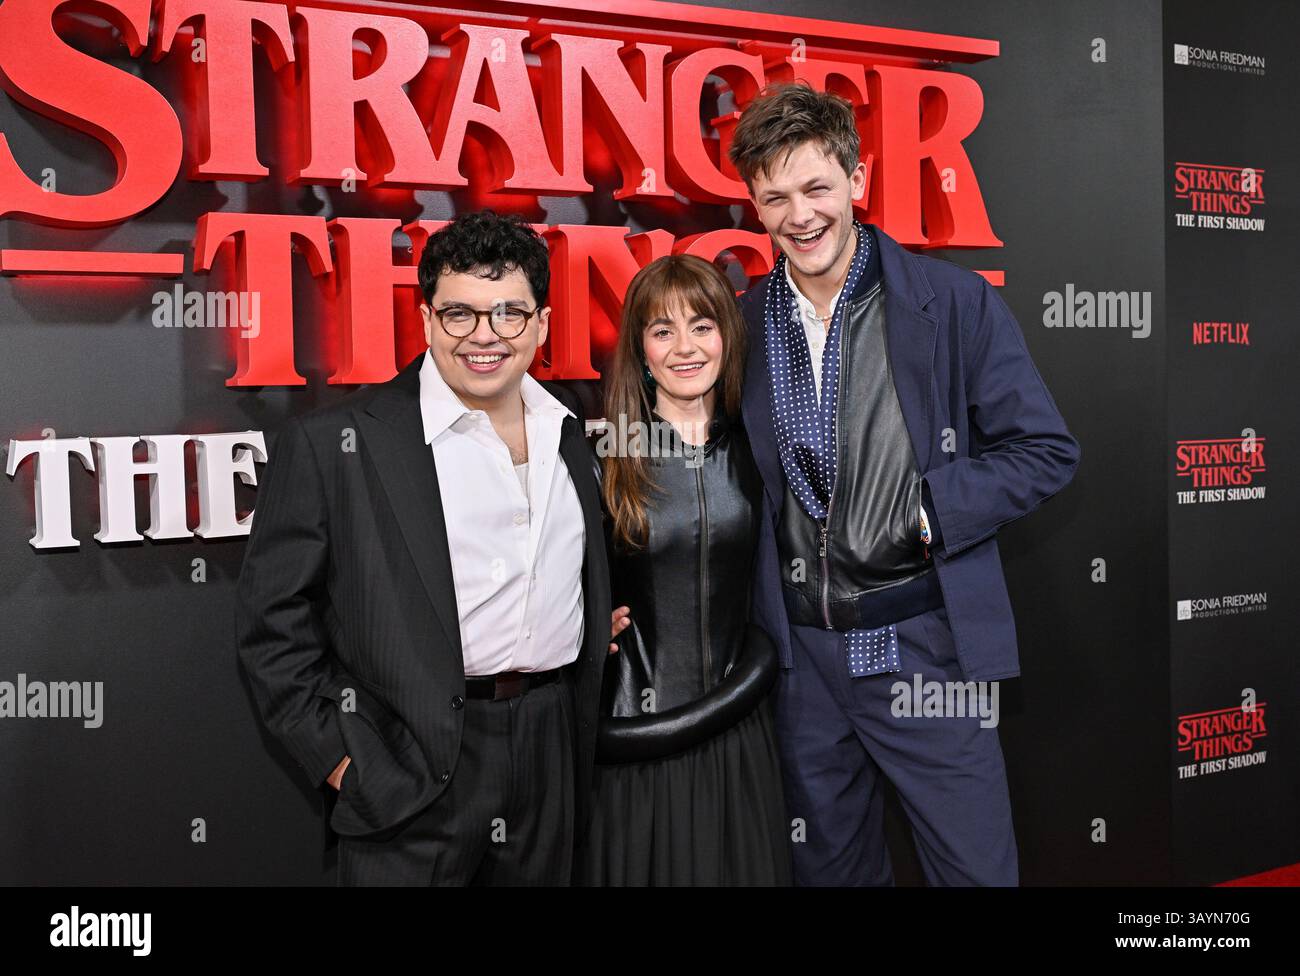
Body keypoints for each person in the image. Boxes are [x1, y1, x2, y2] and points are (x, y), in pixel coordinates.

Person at [728, 82, 1081, 886]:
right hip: (800, 663)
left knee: (976, 873)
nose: (799, 215)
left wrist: (927, 513)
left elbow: (1045, 449)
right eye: (774, 197)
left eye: (816, 187)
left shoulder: (948, 301)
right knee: (830, 876)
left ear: (857, 181)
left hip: (922, 646)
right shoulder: (741, 321)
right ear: (755, 205)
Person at [235, 210, 612, 885]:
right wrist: (345, 762)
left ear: (543, 324)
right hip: (409, 766)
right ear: (427, 319)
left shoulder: (568, 433)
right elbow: (272, 628)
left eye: (509, 315)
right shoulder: (336, 446)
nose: (485, 338)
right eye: (460, 315)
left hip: (549, 752)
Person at [576, 254, 793, 886]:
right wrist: (584, 628)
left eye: (701, 325)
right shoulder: (603, 460)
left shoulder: (762, 452)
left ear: (726, 334)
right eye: (662, 330)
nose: (685, 347)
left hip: (740, 730)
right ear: (641, 350)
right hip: (638, 739)